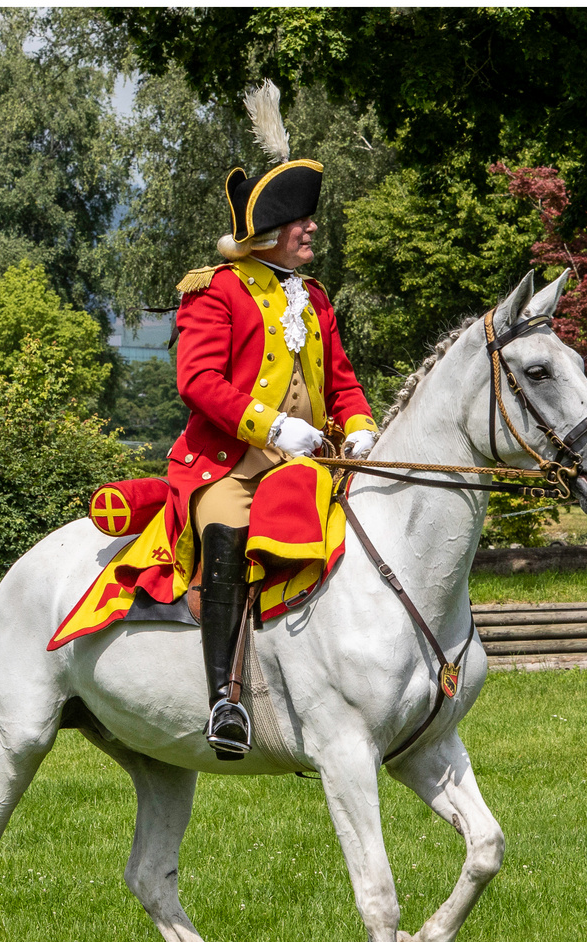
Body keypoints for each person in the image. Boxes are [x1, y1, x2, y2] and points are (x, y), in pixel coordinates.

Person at [167, 81, 378, 760]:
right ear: (265, 233)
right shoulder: (216, 291)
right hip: (228, 465)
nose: (311, 229)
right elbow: (197, 382)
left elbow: (340, 382)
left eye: (308, 219)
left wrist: (360, 425)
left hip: (311, 464)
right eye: (299, 221)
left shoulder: (314, 297)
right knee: (228, 537)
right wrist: (273, 427)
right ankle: (226, 701)